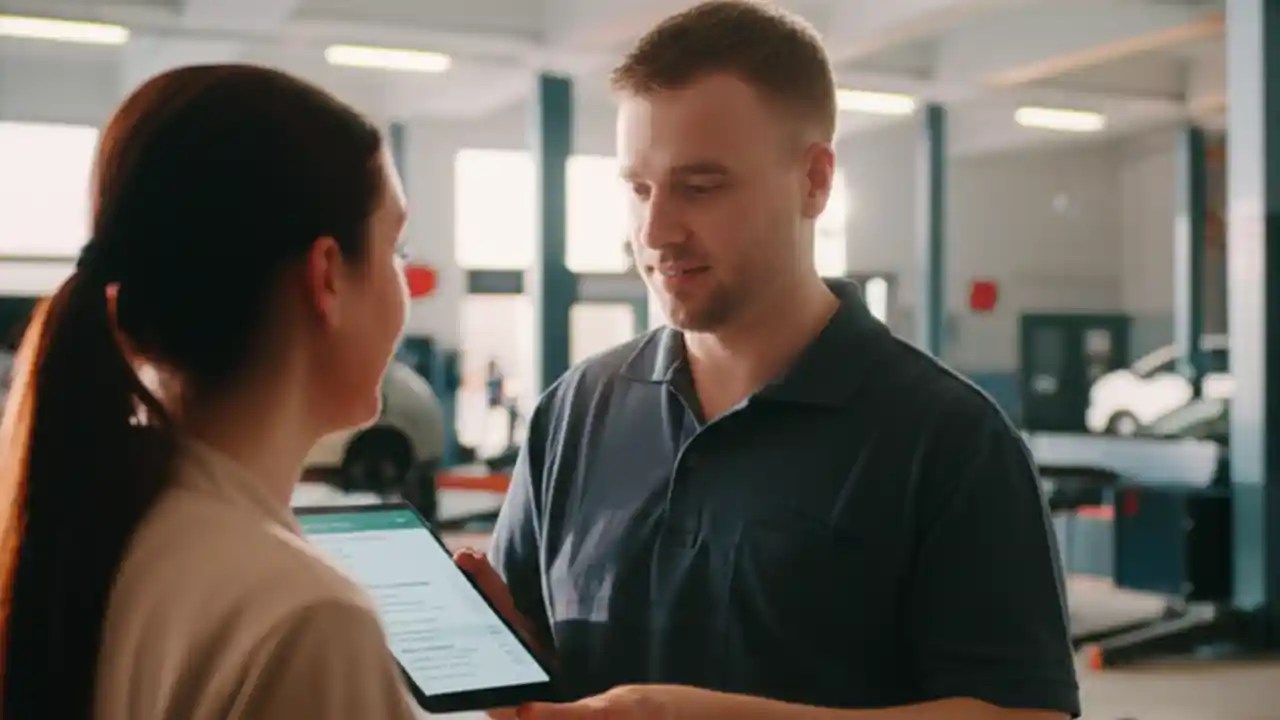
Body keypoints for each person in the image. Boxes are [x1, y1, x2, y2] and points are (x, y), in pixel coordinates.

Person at [465, 2, 1080, 718]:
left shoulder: (949, 440)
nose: (655, 231)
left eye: (701, 187)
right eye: (638, 188)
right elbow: (556, 667)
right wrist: (508, 659)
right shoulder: (577, 410)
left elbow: (1022, 712)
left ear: (815, 181)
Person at [0, 65, 420, 720]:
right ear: (328, 276)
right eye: (396, 246)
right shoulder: (306, 618)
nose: (405, 288)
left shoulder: (87, 533)